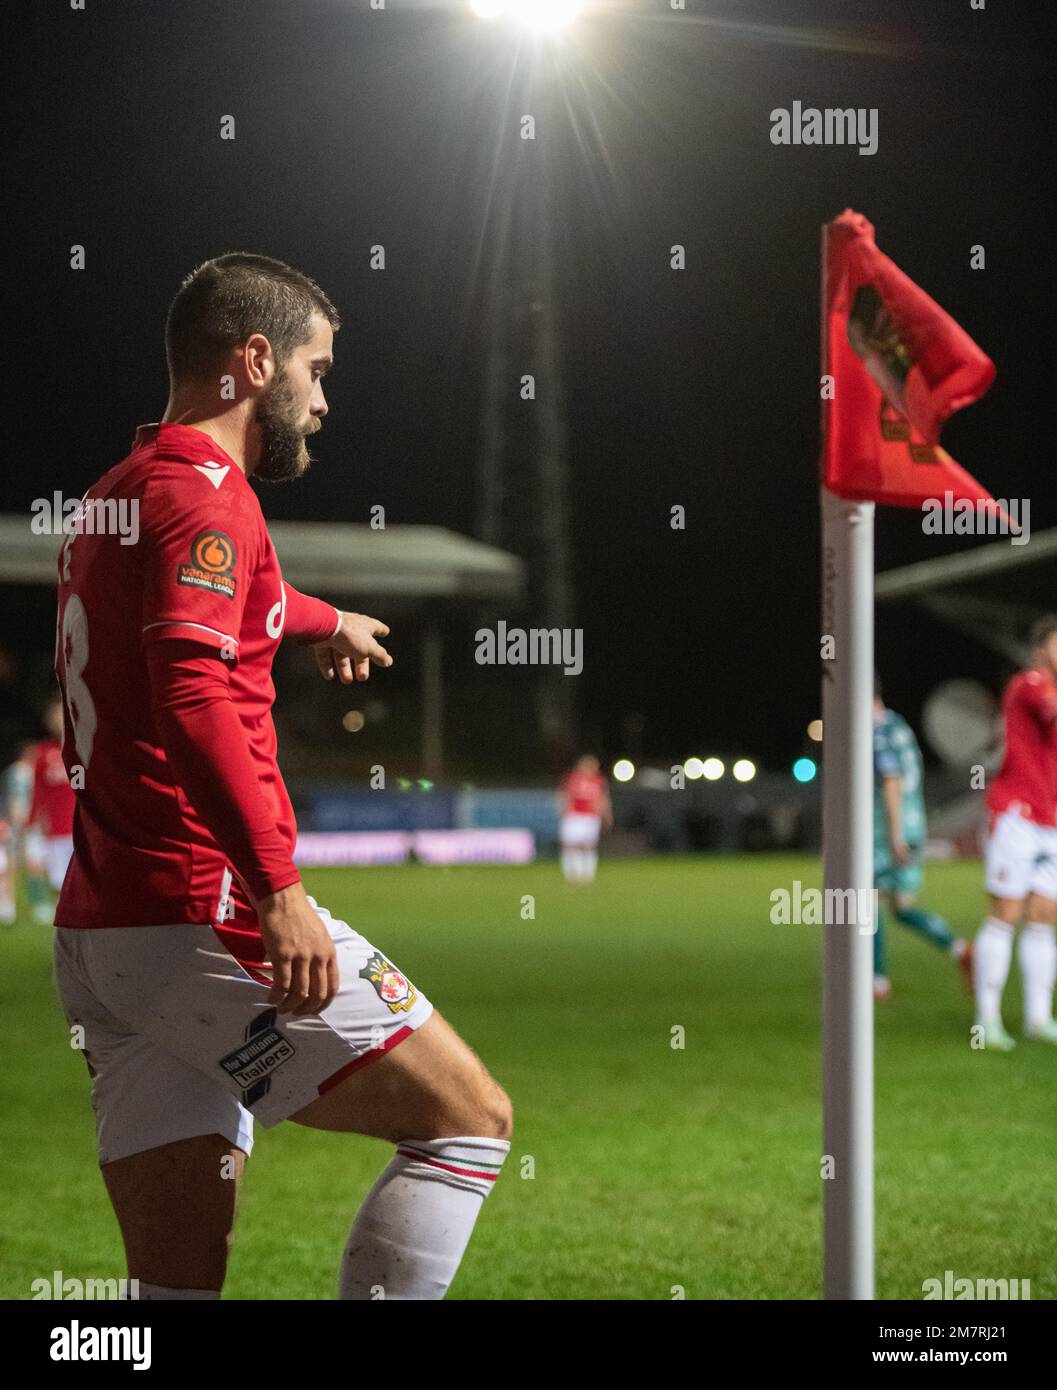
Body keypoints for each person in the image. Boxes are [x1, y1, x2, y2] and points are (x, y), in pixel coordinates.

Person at [52, 253, 512, 1300]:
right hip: (199, 907)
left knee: (173, 1287)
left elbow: (226, 599)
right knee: (467, 1125)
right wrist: (278, 889)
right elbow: (194, 697)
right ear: (255, 361)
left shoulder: (123, 492)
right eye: (316, 368)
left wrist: (322, 619)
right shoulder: (209, 499)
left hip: (105, 935)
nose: (322, 398)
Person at [973, 616, 1057, 1051]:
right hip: (1016, 815)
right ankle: (986, 1020)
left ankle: (1038, 1018)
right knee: (1006, 912)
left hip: (1052, 820)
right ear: (1041, 649)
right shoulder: (1028, 685)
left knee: (1044, 918)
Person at [872, 675, 972, 1001]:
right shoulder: (898, 723)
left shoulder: (878, 732)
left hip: (889, 829)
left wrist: (895, 833)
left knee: (865, 901)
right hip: (913, 823)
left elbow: (892, 783)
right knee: (900, 906)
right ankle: (960, 949)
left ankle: (876, 980)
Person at [22, 698, 76, 923]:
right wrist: (33, 819)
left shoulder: (79, 748)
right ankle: (62, 912)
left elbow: (83, 786)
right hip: (54, 825)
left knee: (78, 874)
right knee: (58, 878)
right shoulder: (43, 753)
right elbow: (39, 790)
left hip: (77, 823)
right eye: (54, 716)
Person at [558, 754, 612, 883]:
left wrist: (607, 815)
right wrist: (563, 810)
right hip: (574, 816)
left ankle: (587, 874)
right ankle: (571, 873)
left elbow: (603, 798)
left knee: (588, 845)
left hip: (590, 816)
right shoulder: (572, 778)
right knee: (570, 844)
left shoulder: (598, 780)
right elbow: (564, 795)